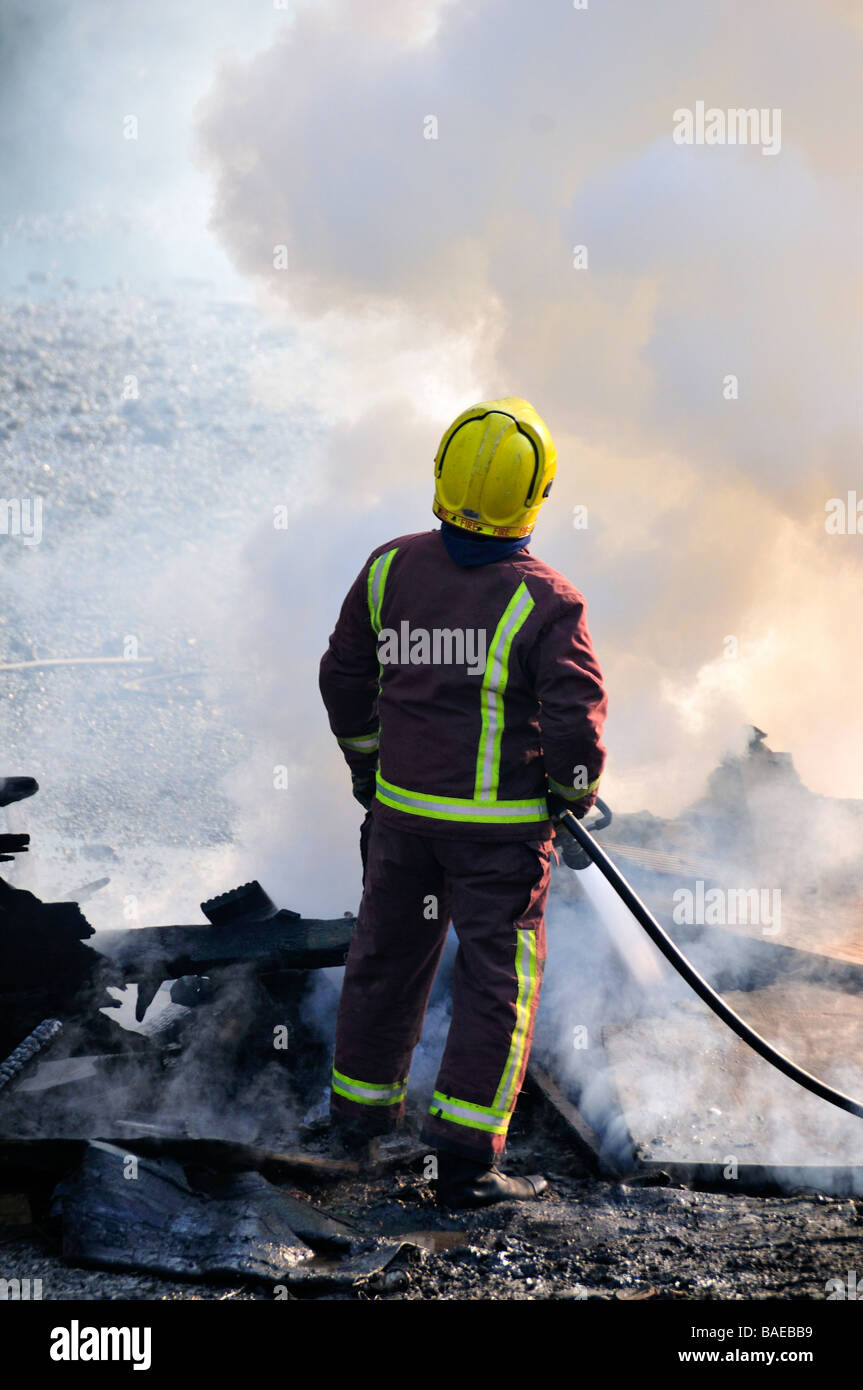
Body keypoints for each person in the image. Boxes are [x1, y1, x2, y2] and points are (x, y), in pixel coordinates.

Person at [319, 398, 607, 1207]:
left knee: (385, 955)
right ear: (536, 497)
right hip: (500, 842)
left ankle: (356, 1124)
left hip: (403, 821)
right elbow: (575, 728)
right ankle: (466, 1166)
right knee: (494, 980)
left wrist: (366, 767)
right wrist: (573, 795)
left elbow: (343, 680)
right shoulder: (545, 601)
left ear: (440, 476)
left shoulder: (387, 568)